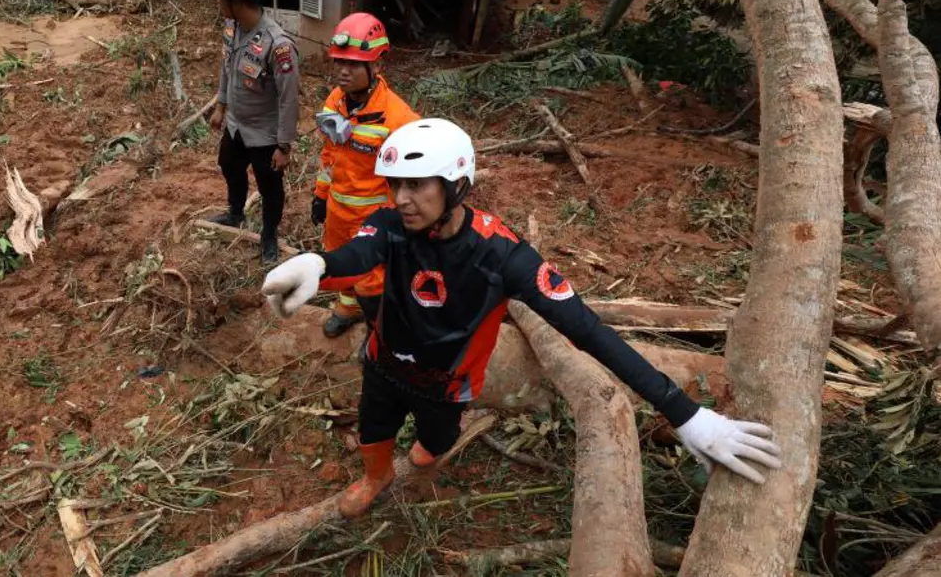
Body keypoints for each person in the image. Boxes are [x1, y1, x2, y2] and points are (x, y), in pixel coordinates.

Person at [260, 118, 783, 518]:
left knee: (435, 443)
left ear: (456, 184)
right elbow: (360, 255)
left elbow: (587, 329)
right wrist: (319, 264)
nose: (402, 198)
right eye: (397, 184)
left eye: (419, 185)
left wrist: (684, 412)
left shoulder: (502, 255)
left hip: (447, 385)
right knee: (374, 431)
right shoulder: (391, 226)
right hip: (384, 364)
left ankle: (426, 452)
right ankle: (375, 479)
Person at [313, 13, 419, 339]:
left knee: (373, 278)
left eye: (354, 64)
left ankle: (381, 332)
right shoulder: (335, 100)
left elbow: (413, 177)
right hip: (338, 210)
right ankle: (348, 306)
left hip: (373, 216)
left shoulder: (399, 119)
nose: (344, 71)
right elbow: (330, 153)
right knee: (339, 262)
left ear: (377, 65)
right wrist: (320, 195)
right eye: (339, 62)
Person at [203, 0, 301, 264]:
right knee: (228, 164)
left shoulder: (278, 45)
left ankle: (269, 235)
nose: (218, 3)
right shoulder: (232, 29)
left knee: (269, 187)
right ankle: (235, 213)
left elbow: (289, 99)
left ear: (236, 2)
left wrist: (284, 146)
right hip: (236, 125)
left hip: (265, 133)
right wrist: (221, 106)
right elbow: (227, 68)